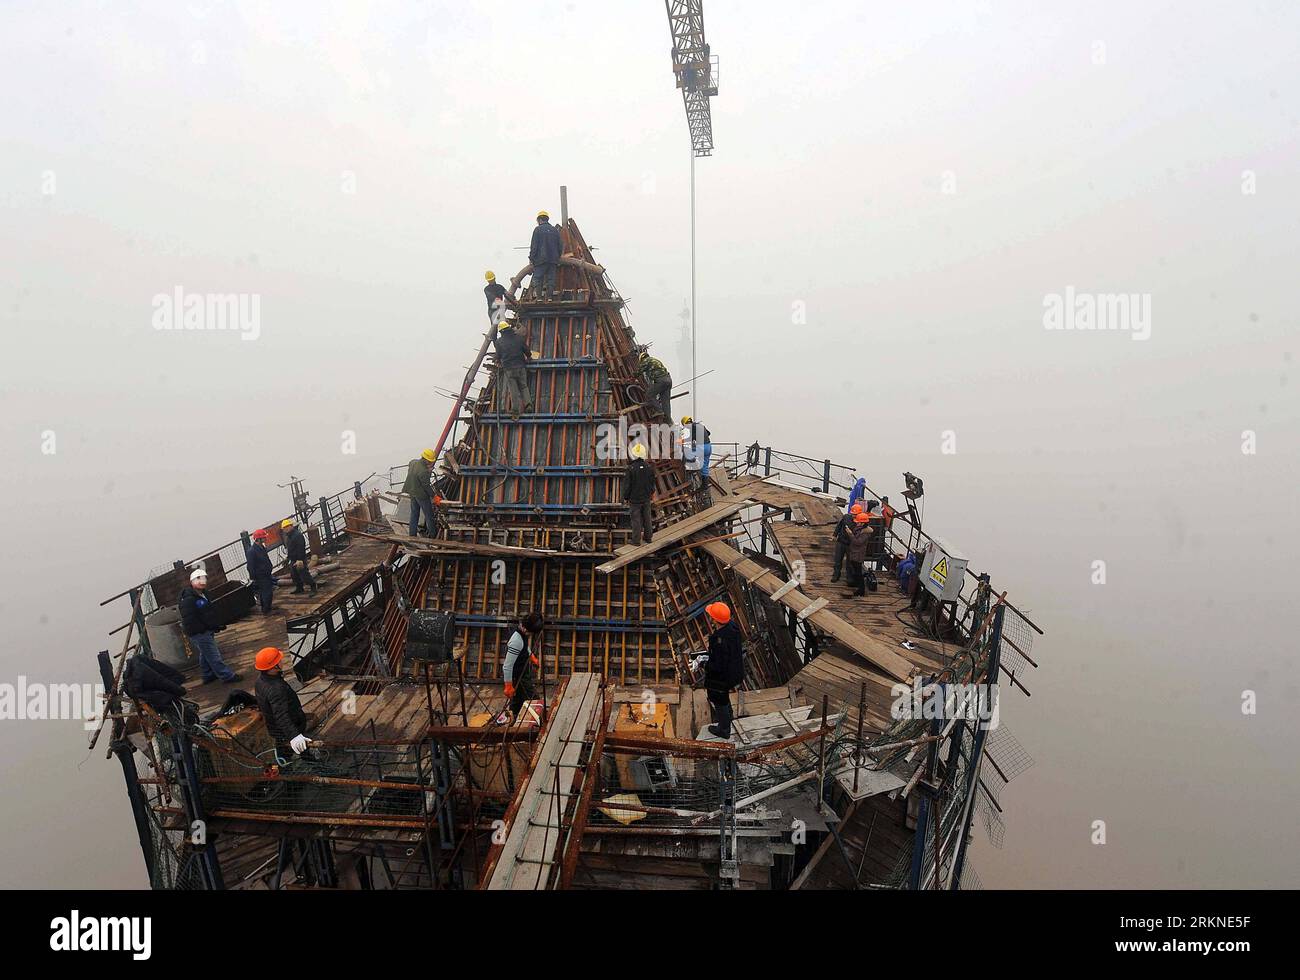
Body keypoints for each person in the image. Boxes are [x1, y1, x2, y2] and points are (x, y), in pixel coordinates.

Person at [179, 569, 241, 684]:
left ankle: (207, 675)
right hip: (199, 632)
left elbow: (208, 612)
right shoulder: (188, 599)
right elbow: (190, 619)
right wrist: (203, 629)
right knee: (213, 655)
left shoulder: (203, 594)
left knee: (205, 653)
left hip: (206, 629)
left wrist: (215, 625)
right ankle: (227, 676)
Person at [692, 602, 743, 740]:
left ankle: (724, 729)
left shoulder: (720, 641)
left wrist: (702, 663)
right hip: (735, 671)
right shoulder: (732, 627)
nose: (710, 618)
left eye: (711, 616)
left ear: (715, 620)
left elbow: (718, 666)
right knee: (724, 697)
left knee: (719, 699)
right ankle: (729, 716)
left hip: (722, 677)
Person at [253, 647, 311, 763]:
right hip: (287, 728)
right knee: (287, 752)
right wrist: (294, 735)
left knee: (286, 751)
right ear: (273, 667)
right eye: (279, 660)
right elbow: (281, 715)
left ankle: (305, 760)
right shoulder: (276, 688)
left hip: (275, 728)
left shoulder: (260, 680)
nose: (282, 661)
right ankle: (290, 773)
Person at [502, 612, 545, 718]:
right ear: (526, 630)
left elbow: (524, 647)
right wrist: (508, 685)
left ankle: (512, 719)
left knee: (517, 701)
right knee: (533, 699)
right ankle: (535, 721)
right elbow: (507, 666)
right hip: (518, 677)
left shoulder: (521, 633)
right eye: (530, 633)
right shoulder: (516, 641)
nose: (530, 635)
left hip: (523, 672)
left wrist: (531, 657)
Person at [122, 654, 190, 720]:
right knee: (166, 696)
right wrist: (180, 691)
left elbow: (162, 680)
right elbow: (161, 681)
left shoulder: (138, 671)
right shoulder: (142, 671)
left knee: (165, 693)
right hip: (142, 685)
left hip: (140, 686)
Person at [493, 320, 536, 419]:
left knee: (513, 390)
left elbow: (498, 355)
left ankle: (516, 410)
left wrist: (497, 361)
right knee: (524, 386)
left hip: (508, 368)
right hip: (520, 366)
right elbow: (526, 350)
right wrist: (529, 357)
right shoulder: (518, 338)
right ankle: (528, 405)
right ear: (509, 328)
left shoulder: (499, 342)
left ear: (501, 331)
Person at [623, 442, 655, 544]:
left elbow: (627, 485)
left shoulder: (631, 468)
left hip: (634, 499)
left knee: (636, 519)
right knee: (647, 517)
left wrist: (626, 497)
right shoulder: (649, 467)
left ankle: (636, 540)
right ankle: (648, 538)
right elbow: (652, 483)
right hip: (646, 498)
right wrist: (650, 493)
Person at [404, 449, 438, 538]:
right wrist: (434, 496)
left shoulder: (414, 463)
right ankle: (432, 535)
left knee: (414, 514)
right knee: (429, 515)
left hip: (412, 492)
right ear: (426, 460)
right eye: (430, 461)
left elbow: (411, 462)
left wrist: (427, 469)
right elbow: (426, 486)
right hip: (421, 495)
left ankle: (412, 535)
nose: (431, 463)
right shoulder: (424, 471)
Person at [528, 210, 563, 299]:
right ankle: (550, 298)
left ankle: (539, 298)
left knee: (538, 278)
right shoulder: (555, 230)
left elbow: (534, 246)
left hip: (540, 260)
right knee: (551, 280)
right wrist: (557, 257)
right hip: (553, 260)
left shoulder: (537, 230)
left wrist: (531, 258)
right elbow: (560, 246)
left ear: (539, 220)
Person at [281, 518, 317, 595]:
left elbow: (301, 548)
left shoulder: (297, 535)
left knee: (304, 574)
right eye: (284, 528)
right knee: (294, 575)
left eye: (287, 527)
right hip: (293, 559)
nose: (286, 529)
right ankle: (299, 588)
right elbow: (290, 549)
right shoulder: (288, 537)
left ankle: (313, 587)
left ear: (291, 526)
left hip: (300, 559)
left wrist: (300, 560)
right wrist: (287, 558)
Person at [831, 503, 864, 583]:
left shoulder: (861, 522)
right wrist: (834, 535)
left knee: (850, 562)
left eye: (855, 515)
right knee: (838, 559)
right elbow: (839, 525)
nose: (854, 516)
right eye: (853, 514)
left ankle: (849, 577)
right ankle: (836, 574)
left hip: (851, 544)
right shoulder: (846, 517)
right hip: (841, 541)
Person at [638, 350, 672, 421]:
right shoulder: (655, 360)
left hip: (661, 381)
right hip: (668, 380)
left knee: (649, 395)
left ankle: (659, 411)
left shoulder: (646, 360)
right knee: (665, 402)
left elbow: (640, 370)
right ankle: (668, 419)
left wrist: (633, 376)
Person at [845, 512, 873, 597]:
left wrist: (850, 534)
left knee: (858, 572)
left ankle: (861, 590)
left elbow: (858, 542)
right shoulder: (859, 528)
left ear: (863, 523)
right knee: (855, 570)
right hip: (854, 552)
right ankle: (856, 584)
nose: (856, 523)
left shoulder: (865, 533)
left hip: (858, 554)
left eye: (858, 522)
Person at [247, 528, 275, 613]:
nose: (265, 538)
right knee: (267, 592)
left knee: (266, 592)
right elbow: (250, 566)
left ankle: (266, 608)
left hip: (266, 574)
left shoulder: (261, 547)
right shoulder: (252, 551)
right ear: (258, 539)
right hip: (261, 576)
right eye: (263, 537)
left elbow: (266, 559)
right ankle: (266, 610)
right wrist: (254, 577)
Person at [681, 416, 712, 486]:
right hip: (708, 447)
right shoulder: (700, 425)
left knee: (687, 452)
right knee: (705, 466)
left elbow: (687, 439)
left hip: (701, 447)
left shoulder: (689, 427)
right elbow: (709, 433)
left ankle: (691, 464)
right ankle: (705, 485)